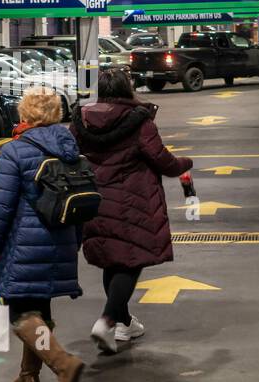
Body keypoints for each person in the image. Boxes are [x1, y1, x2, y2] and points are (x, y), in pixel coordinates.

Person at [0, 86, 86, 382]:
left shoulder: (16, 151)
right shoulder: (68, 147)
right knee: (39, 308)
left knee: (20, 315)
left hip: (24, 244)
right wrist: (75, 242)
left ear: (24, 114)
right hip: (61, 240)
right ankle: (28, 378)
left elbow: (1, 207)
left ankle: (63, 364)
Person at [71, 68, 193, 353]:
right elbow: (163, 161)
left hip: (95, 200)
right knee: (130, 261)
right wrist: (186, 164)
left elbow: (70, 154)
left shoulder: (81, 121)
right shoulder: (140, 121)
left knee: (111, 259)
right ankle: (108, 320)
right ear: (127, 89)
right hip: (133, 202)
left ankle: (124, 322)